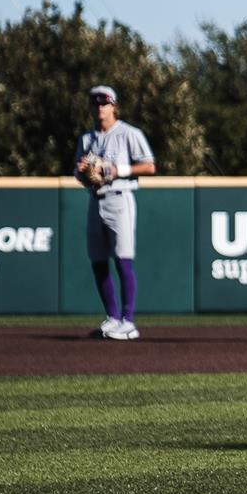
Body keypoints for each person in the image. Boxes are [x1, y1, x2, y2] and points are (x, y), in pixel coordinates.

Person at [74, 84, 157, 341]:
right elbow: (79, 175)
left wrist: (116, 170)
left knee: (122, 259)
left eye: (105, 103)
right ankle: (112, 318)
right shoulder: (87, 139)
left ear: (114, 106)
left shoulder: (129, 133)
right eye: (96, 104)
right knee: (98, 261)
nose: (100, 108)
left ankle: (128, 321)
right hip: (95, 200)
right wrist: (82, 171)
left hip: (120, 199)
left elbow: (149, 166)